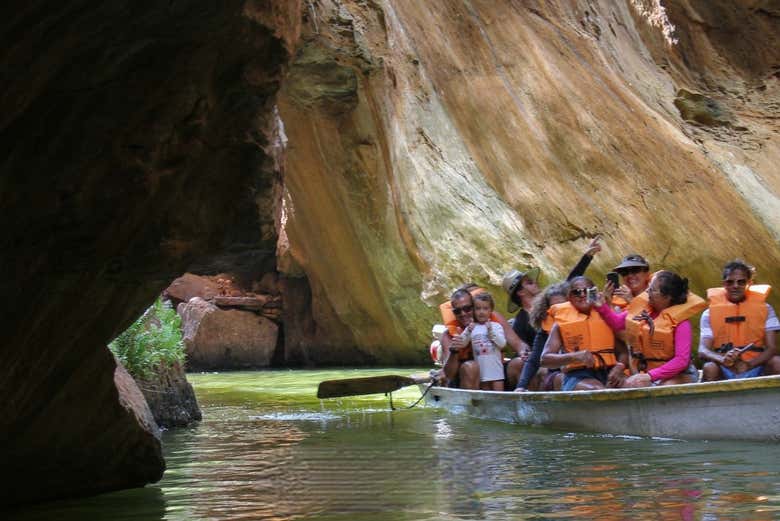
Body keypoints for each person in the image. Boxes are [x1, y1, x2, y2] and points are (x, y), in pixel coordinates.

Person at [504, 236, 603, 391]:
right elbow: (535, 357)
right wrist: (521, 386)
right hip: (554, 368)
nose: (536, 282)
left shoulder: (569, 304)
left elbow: (570, 283)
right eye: (529, 282)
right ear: (520, 292)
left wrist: (587, 257)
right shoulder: (528, 321)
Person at [595, 270, 706, 387]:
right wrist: (601, 306)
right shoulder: (643, 311)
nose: (647, 292)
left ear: (667, 297)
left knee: (665, 386)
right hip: (649, 372)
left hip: (680, 374)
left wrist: (650, 376)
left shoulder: (681, 323)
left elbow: (681, 360)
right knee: (629, 384)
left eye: (652, 290)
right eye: (648, 288)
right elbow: (617, 323)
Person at [698, 260, 780, 381]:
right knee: (709, 367)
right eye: (730, 282)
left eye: (741, 282)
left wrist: (749, 364)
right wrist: (723, 359)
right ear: (724, 284)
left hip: (756, 365)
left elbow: (772, 348)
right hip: (725, 367)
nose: (735, 286)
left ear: (749, 283)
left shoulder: (766, 309)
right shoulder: (708, 314)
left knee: (777, 362)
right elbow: (702, 350)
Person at [540, 277, 622, 391]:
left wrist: (620, 366)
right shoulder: (561, 323)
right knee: (597, 389)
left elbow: (625, 352)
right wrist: (574, 356)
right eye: (577, 292)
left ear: (594, 293)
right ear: (569, 297)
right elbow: (544, 359)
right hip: (578, 376)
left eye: (588, 291)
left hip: (610, 371)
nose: (583, 295)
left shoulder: (609, 315)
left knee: (633, 384)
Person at [440, 286, 524, 389]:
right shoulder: (448, 335)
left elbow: (518, 344)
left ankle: (527, 402)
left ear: (474, 307)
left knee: (520, 363)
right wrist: (454, 351)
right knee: (471, 367)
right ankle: (475, 403)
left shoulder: (494, 321)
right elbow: (449, 375)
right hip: (467, 378)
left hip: (495, 372)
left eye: (467, 309)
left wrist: (525, 353)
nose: (463, 314)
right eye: (457, 311)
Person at [515, 282, 569, 391]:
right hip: (556, 374)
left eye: (563, 306)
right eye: (554, 307)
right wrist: (521, 386)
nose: (559, 311)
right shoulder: (545, 330)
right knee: (560, 378)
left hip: (581, 371)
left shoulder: (582, 320)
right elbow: (533, 360)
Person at [460, 293, 506, 391]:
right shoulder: (472, 327)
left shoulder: (496, 326)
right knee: (486, 400)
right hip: (481, 374)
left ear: (491, 310)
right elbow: (462, 343)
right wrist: (468, 331)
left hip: (497, 372)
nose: (481, 312)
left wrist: (491, 332)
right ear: (473, 310)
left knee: (499, 399)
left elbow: (502, 344)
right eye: (478, 308)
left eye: (485, 308)